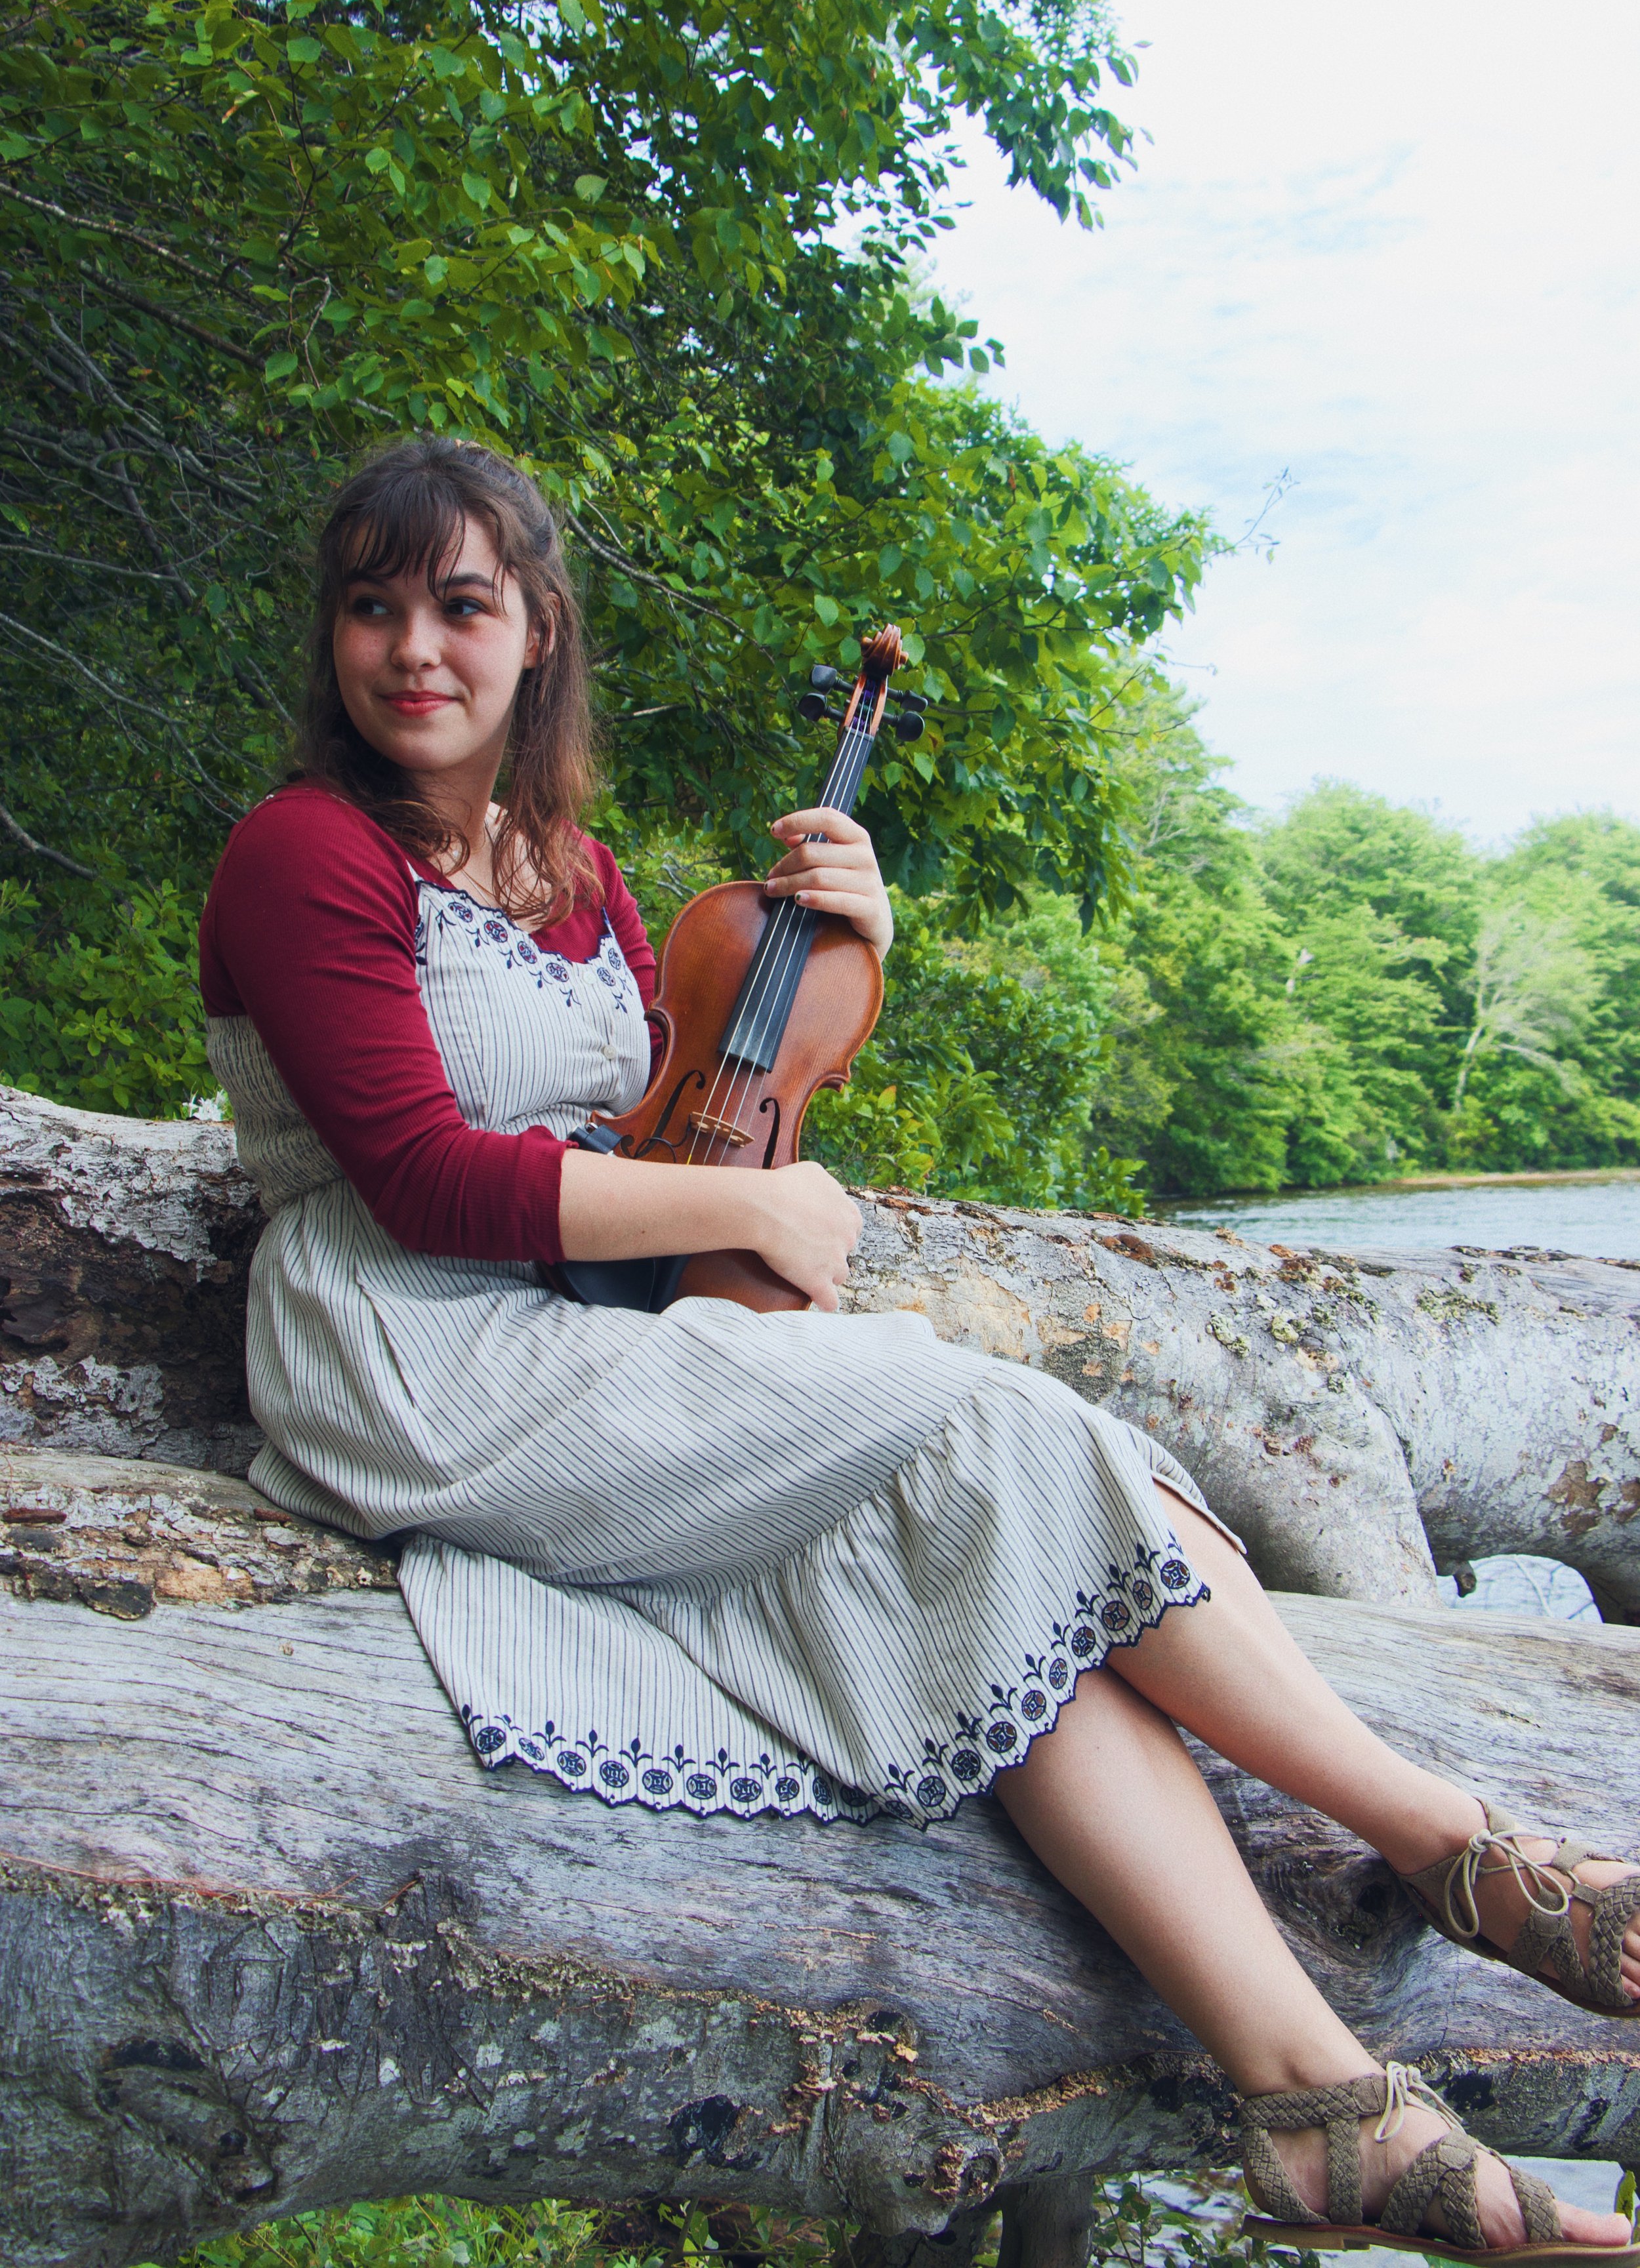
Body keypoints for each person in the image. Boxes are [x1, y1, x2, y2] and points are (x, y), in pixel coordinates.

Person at [199, 437, 1639, 2265]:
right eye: (372, 605)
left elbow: (674, 1126)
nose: (413, 647)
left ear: (538, 632)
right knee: (1000, 1426)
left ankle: (1317, 2107)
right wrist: (778, 1227)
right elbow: (417, 1181)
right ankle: (1458, 1848)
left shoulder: (578, 869)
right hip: (414, 1358)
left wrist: (837, 961)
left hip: (593, 1338)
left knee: (971, 1569)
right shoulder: (301, 851)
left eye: (460, 605)